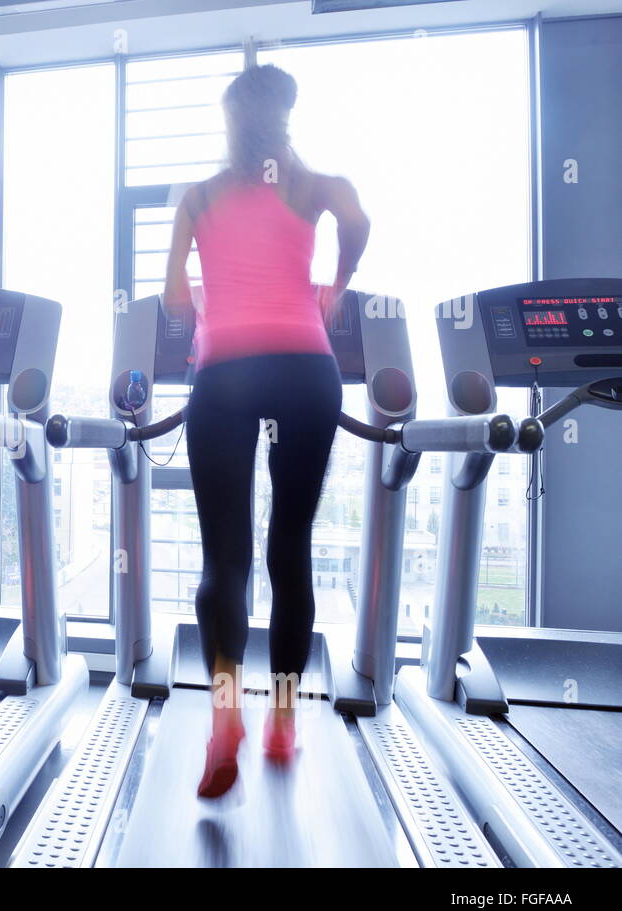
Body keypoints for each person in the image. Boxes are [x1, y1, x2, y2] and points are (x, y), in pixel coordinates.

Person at [163, 65, 371, 797]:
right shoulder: (312, 185)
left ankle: (227, 718)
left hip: (224, 377)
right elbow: (359, 219)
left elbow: (174, 303)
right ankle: (283, 719)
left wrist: (211, 299)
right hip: (305, 371)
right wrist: (335, 286)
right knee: (291, 547)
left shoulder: (196, 197)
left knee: (226, 556)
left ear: (228, 124)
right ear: (286, 118)